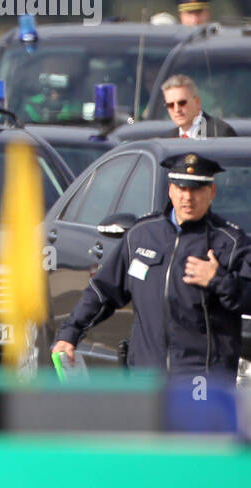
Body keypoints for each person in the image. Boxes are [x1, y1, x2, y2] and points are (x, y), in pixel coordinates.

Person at [53, 153, 251, 375]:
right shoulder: (142, 234)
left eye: (196, 189)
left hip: (201, 378)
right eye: (181, 188)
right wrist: (69, 334)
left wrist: (219, 281)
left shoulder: (231, 243)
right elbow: (102, 292)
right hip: (147, 374)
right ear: (170, 190)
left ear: (211, 192)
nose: (187, 197)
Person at [161, 74, 237, 138]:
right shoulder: (168, 139)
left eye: (182, 103)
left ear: (197, 102)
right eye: (170, 105)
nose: (177, 109)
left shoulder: (220, 133)